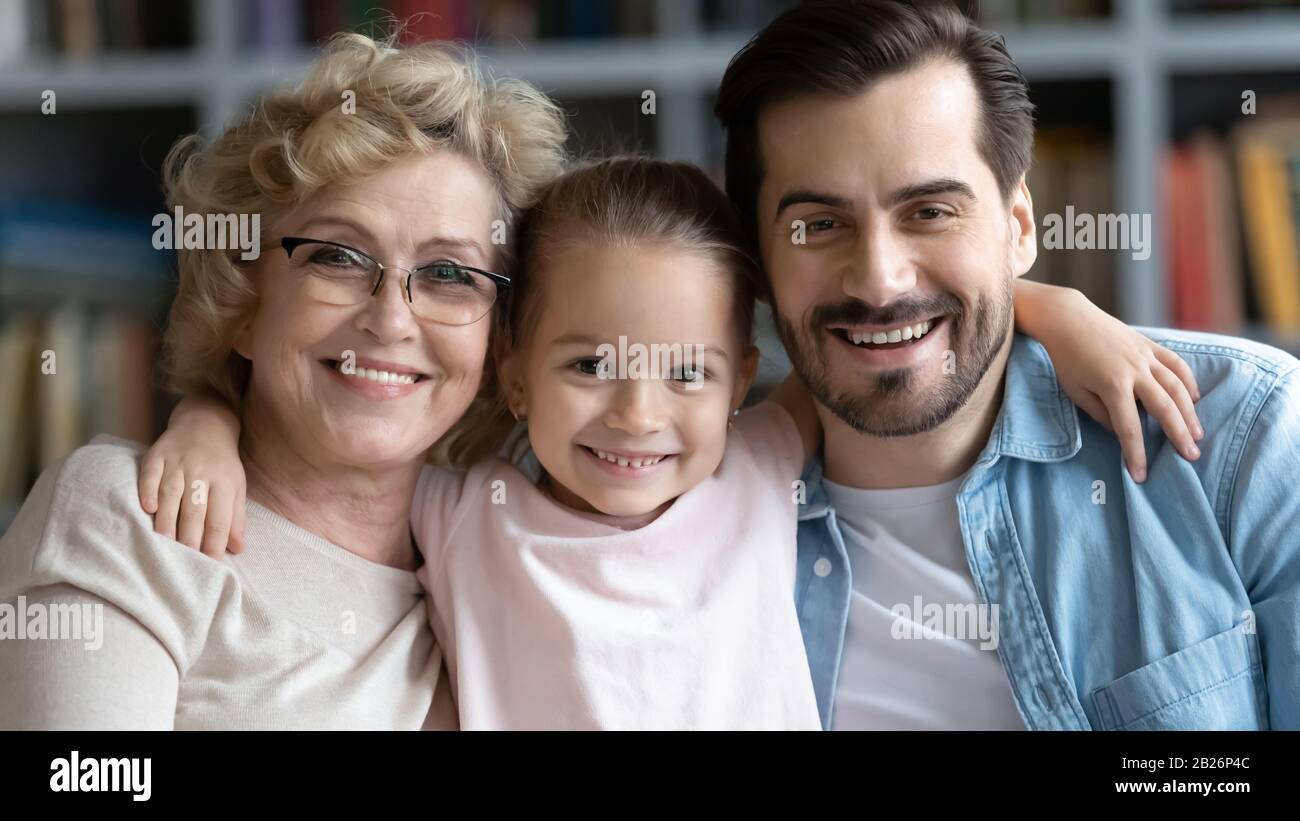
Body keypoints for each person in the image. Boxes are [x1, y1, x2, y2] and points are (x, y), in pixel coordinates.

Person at [136, 156, 1204, 729]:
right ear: (511, 370)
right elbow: (334, 440)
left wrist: (1055, 308)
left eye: (685, 371)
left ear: (739, 379)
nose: (638, 416)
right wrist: (207, 416)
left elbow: (902, 343)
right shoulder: (457, 505)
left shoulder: (754, 461)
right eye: (587, 364)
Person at [713, 0, 1300, 730]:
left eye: (930, 211)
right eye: (820, 225)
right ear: (758, 263)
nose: (879, 280)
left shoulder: (1245, 435)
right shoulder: (690, 519)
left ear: (1018, 226)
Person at [0, 32, 567, 729]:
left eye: (449, 272)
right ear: (242, 299)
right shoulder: (126, 517)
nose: (391, 319)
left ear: (497, 337)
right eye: (337, 256)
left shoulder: (495, 569)